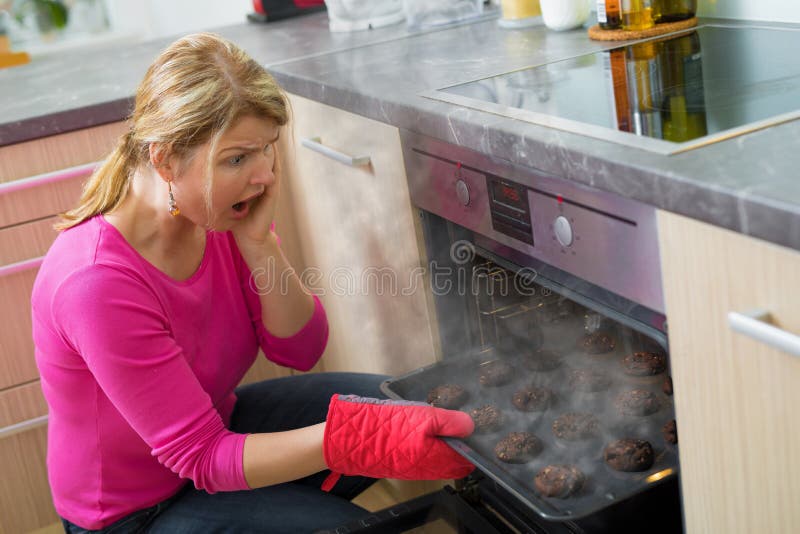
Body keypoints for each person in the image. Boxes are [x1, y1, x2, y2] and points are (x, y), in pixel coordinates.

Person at [31, 32, 475, 534]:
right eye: (237, 158)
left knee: (410, 404)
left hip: (218, 428)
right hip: (136, 512)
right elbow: (202, 457)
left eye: (266, 149)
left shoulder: (213, 215)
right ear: (165, 159)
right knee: (354, 521)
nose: (263, 174)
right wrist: (351, 440)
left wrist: (259, 243)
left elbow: (301, 348)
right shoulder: (96, 285)